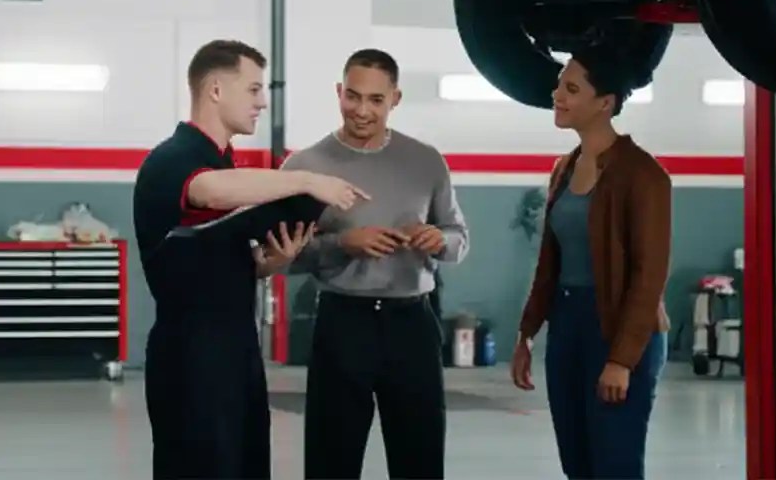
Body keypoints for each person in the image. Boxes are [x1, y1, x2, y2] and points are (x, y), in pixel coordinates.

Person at [132, 39, 369, 480]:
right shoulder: (172, 158)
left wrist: (269, 264)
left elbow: (208, 251)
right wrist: (305, 180)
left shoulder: (224, 163)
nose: (262, 102)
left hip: (235, 348)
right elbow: (209, 190)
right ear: (216, 90)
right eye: (254, 89)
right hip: (191, 353)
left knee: (245, 464)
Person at [283, 48, 470, 480]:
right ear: (338, 92)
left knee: (420, 456)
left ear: (395, 99)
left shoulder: (426, 161)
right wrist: (342, 243)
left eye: (375, 100)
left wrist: (439, 240)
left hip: (413, 325)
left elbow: (460, 239)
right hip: (342, 322)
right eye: (352, 97)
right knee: (332, 457)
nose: (361, 110)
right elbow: (285, 256)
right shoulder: (305, 167)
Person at [510, 44, 672, 479]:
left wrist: (621, 359)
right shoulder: (564, 168)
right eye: (560, 85)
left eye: (572, 88)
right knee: (577, 465)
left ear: (605, 103)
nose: (557, 95)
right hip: (568, 326)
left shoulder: (643, 175)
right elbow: (549, 261)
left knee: (614, 464)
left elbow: (648, 275)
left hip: (620, 327)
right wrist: (527, 332)